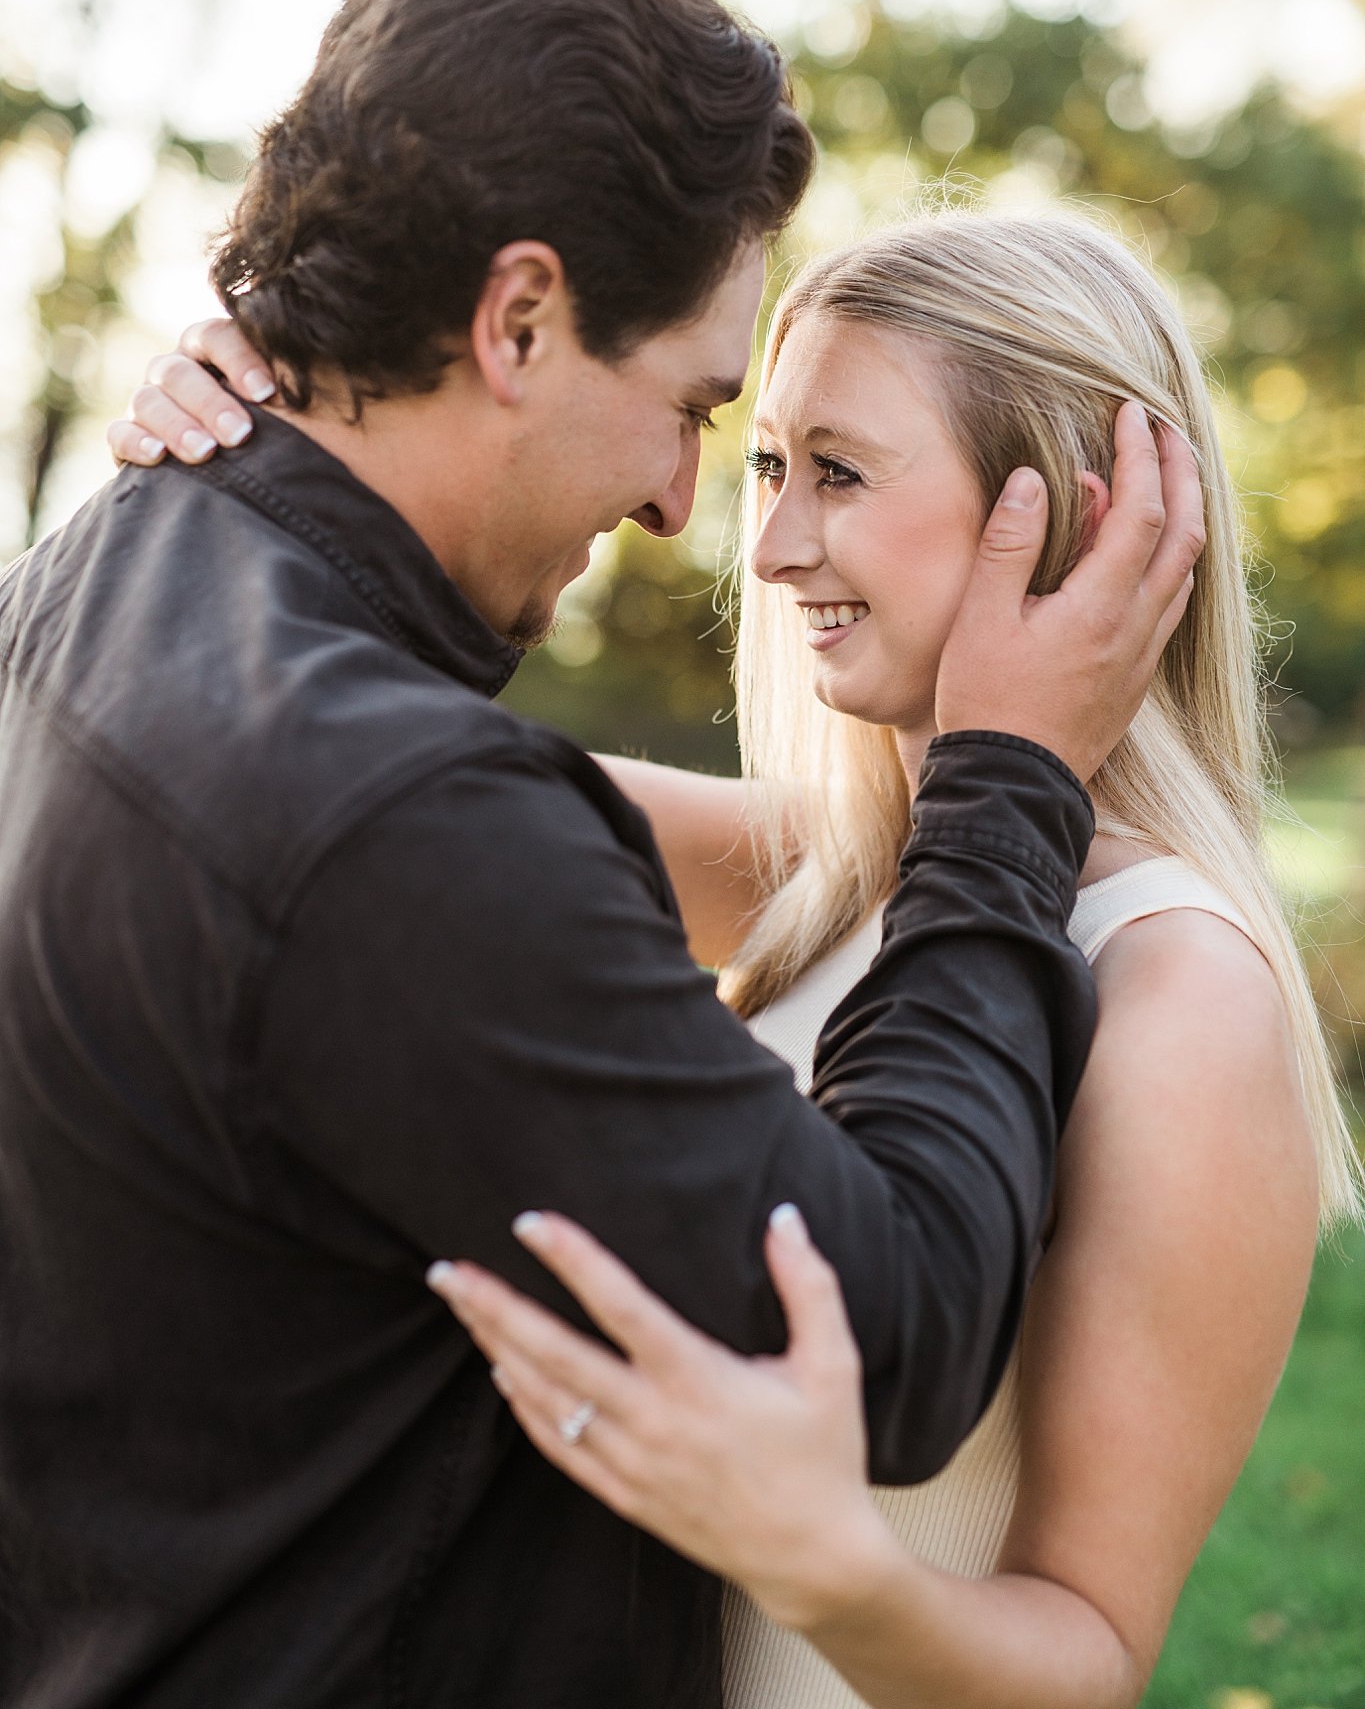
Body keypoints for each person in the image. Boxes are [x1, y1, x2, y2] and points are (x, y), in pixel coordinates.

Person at [25, 0, 1200, 1709]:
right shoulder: (385, 814)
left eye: (824, 465)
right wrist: (1008, 791)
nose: (684, 504)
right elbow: (878, 1341)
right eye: (695, 411)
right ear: (515, 316)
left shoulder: (97, 574)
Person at [122, 209, 1359, 1709]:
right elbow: (349, 783)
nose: (768, 544)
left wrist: (822, 1568)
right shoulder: (821, 871)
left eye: (836, 471)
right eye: (769, 463)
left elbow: (1085, 1657)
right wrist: (248, 451)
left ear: (1077, 513)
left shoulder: (1179, 994)